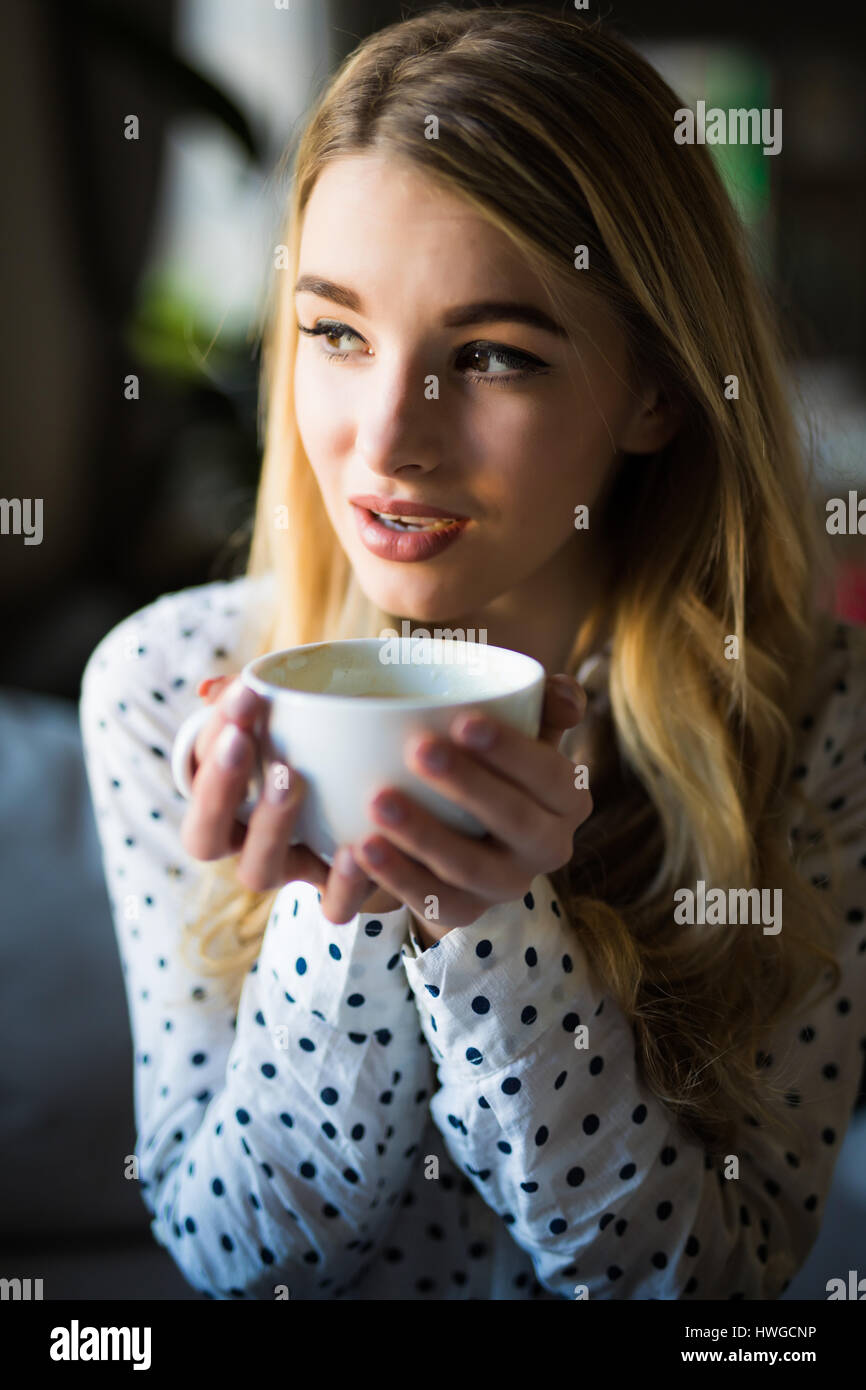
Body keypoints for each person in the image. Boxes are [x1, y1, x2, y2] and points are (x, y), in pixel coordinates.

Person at [79, 6, 866, 1301]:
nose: (388, 439)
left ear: (655, 391)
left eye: (491, 354)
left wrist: (489, 921)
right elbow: (234, 1261)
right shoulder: (168, 683)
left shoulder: (819, 717)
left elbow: (710, 1286)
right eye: (336, 333)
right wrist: (335, 922)